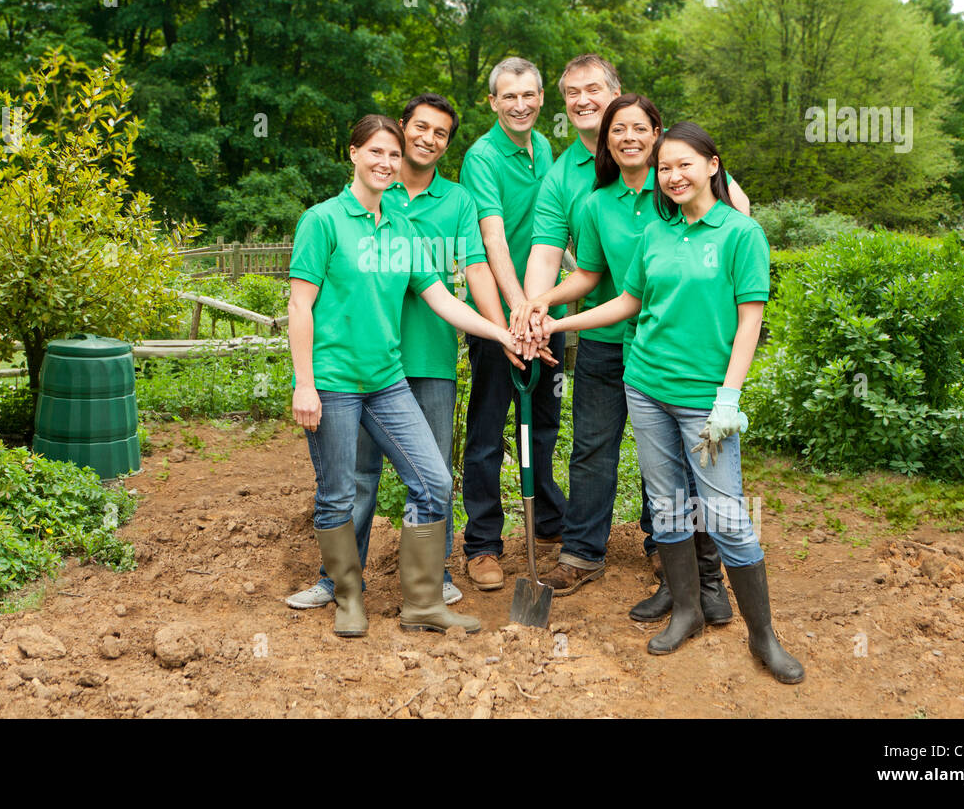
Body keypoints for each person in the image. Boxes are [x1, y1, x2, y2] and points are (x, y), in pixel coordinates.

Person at [538, 122, 804, 684]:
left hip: (705, 399)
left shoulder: (739, 233)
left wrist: (728, 398)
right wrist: (559, 321)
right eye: (665, 168)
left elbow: (750, 320)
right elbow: (628, 301)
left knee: (727, 515)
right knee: (666, 504)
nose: (673, 175)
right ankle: (686, 611)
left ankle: (765, 638)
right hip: (647, 387)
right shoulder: (656, 234)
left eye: (684, 164)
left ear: (712, 165)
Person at [515, 87, 747, 625]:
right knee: (593, 449)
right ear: (606, 141)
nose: (628, 137)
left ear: (658, 132)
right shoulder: (596, 203)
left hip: (671, 351)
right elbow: (593, 277)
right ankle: (582, 553)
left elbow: (734, 222)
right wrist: (542, 302)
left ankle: (676, 564)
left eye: (639, 127)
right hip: (605, 344)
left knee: (674, 468)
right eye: (618, 130)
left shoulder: (679, 195)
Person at [287, 114, 522, 638]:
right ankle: (348, 595)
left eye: (392, 156)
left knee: (434, 479)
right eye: (375, 152)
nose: (386, 163)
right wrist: (305, 382)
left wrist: (500, 332)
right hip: (334, 381)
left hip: (387, 380)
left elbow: (440, 299)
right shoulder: (323, 221)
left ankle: (421, 603)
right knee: (339, 492)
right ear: (353, 154)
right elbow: (300, 307)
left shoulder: (402, 229)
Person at [457, 57, 566, 591]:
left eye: (528, 94)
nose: (519, 105)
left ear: (541, 97)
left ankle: (546, 521)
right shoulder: (482, 158)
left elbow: (552, 230)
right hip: (500, 318)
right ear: (494, 102)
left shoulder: (544, 148)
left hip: (546, 316)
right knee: (486, 431)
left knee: (543, 423)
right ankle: (482, 544)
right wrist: (512, 320)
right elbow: (493, 238)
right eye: (509, 96)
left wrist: (542, 310)